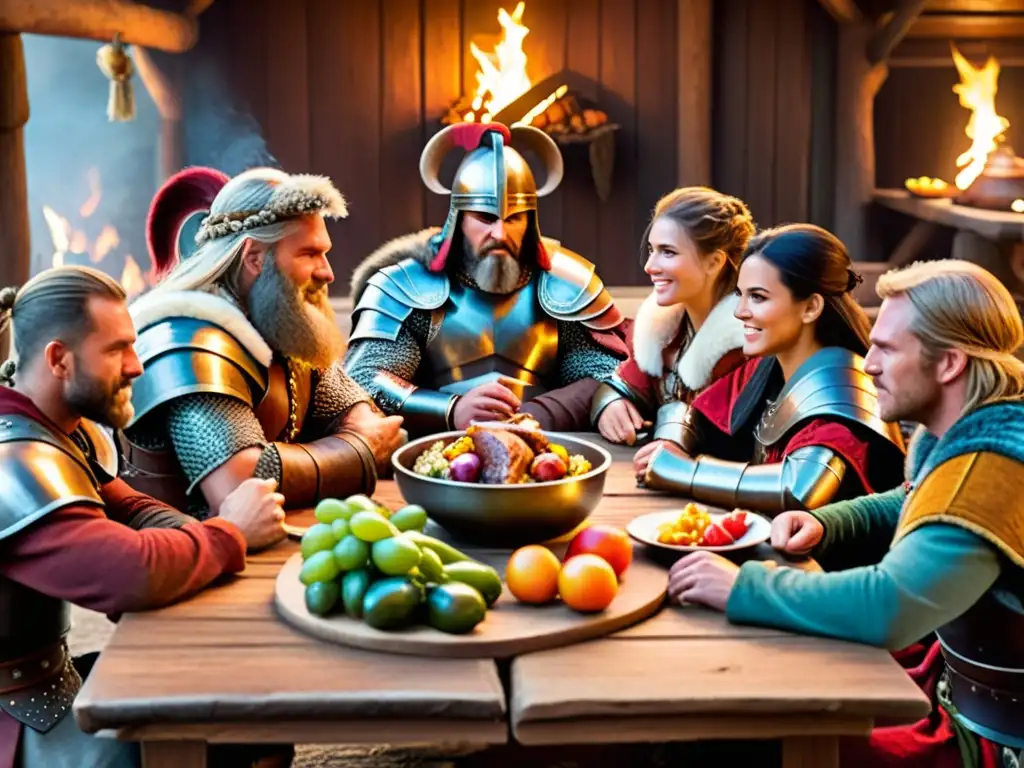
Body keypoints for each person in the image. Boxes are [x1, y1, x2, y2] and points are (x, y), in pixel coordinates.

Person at [667, 260, 1024, 767]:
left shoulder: (987, 468)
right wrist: (830, 523)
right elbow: (917, 498)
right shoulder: (978, 431)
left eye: (887, 349)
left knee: (756, 727)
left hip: (990, 741)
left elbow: (888, 607)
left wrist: (742, 587)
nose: (869, 364)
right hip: (946, 683)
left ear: (949, 364)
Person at [0, 267, 288, 768]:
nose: (137, 366)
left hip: (47, 681)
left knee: (246, 712)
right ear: (58, 359)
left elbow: (132, 507)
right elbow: (128, 573)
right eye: (116, 350)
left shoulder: (58, 430)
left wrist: (192, 537)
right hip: (14, 718)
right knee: (230, 740)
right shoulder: (14, 460)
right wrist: (229, 533)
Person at [119, 166, 405, 519]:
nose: (327, 271)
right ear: (254, 257)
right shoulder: (187, 340)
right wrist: (360, 451)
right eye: (309, 253)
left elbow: (359, 414)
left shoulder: (278, 318)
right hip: (181, 556)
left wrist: (357, 436)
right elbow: (238, 485)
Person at [343, 122, 629, 436]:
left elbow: (607, 375)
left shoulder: (566, 284)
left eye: (514, 218)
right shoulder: (407, 285)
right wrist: (451, 409)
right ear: (458, 218)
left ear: (530, 220)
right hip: (437, 450)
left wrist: (538, 413)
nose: (500, 233)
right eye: (485, 218)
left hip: (545, 447)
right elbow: (365, 378)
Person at [639, 223, 906, 514]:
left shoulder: (842, 394)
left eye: (758, 297)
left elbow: (799, 489)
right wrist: (671, 441)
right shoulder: (769, 365)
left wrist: (681, 473)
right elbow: (694, 411)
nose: (739, 311)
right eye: (740, 294)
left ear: (811, 308)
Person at [590, 186, 754, 452]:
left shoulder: (750, 343)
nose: (650, 266)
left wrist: (673, 436)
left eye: (667, 252)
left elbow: (719, 434)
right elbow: (627, 382)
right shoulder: (665, 329)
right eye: (652, 250)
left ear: (714, 262)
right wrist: (611, 403)